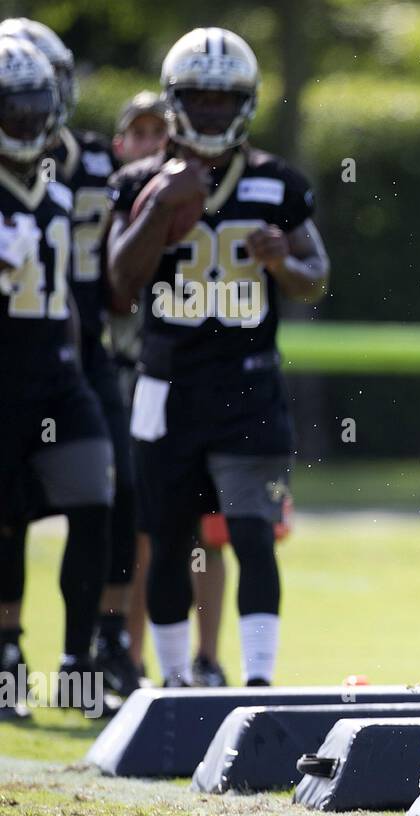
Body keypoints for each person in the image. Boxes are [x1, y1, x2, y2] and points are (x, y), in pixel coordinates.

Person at [106, 27, 329, 687]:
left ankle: (257, 682)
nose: (208, 110)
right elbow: (118, 287)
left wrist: (281, 262)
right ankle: (175, 684)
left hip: (247, 387)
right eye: (197, 98)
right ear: (176, 99)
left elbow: (316, 274)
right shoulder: (138, 183)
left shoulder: (275, 182)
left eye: (221, 98)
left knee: (252, 535)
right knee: (168, 540)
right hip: (166, 386)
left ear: (246, 102)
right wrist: (160, 209)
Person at [0, 18, 143, 696]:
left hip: (64, 373)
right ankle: (7, 651)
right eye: (14, 108)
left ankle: (80, 658)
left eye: (36, 105)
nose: (27, 119)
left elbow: (74, 291)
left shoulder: (58, 185)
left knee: (98, 497)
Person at [108, 90, 231, 687]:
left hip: (208, 381)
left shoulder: (212, 186)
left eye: (163, 130)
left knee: (212, 530)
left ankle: (205, 660)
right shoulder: (133, 189)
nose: (153, 141)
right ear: (122, 141)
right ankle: (133, 659)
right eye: (141, 131)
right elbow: (117, 285)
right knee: (150, 529)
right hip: (139, 372)